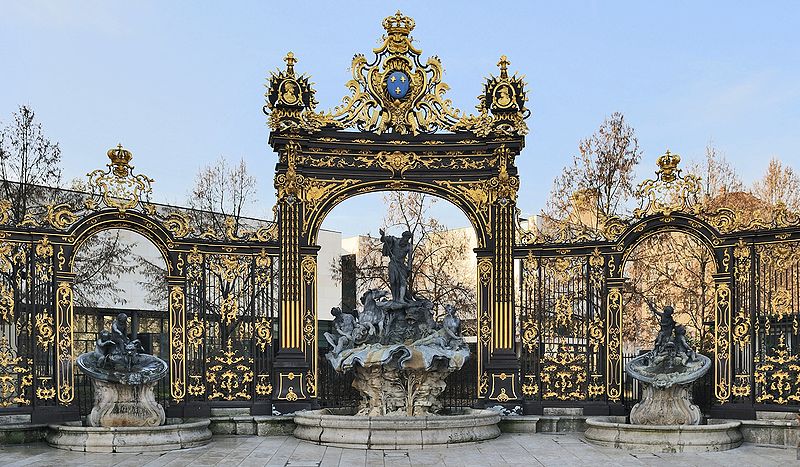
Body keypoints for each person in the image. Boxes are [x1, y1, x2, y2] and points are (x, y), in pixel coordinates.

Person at [379, 228, 413, 302]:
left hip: (401, 265)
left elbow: (410, 259)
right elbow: (383, 240)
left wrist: (409, 269)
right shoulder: (395, 240)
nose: (406, 240)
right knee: (393, 281)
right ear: (403, 237)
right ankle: (395, 298)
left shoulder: (409, 246)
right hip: (393, 264)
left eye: (408, 239)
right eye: (406, 238)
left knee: (403, 281)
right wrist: (383, 235)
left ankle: (401, 299)